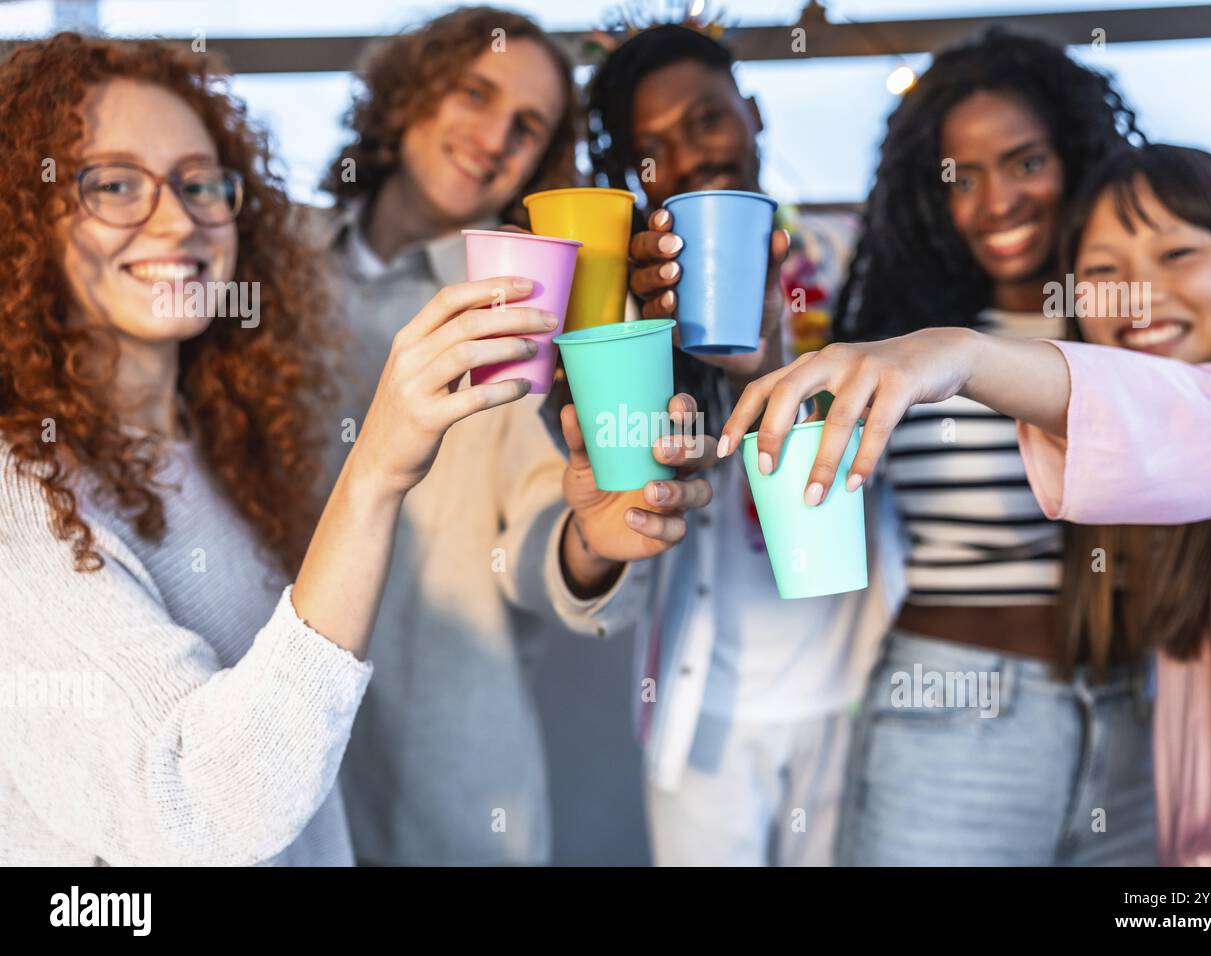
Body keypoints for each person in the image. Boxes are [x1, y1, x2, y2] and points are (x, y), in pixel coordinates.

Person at [0, 33, 551, 865]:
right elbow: (203, 807)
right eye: (113, 184)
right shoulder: (24, 493)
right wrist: (376, 473)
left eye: (199, 183)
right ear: (22, 216)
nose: (176, 218)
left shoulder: (215, 441)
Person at [718, 143, 1211, 866]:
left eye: (1178, 252)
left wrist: (965, 355)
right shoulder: (1171, 501)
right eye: (1103, 271)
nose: (1135, 294)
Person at [314, 7, 714, 865]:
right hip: (272, 786)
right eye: (475, 93)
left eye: (527, 125)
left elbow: (542, 523)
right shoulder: (269, 266)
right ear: (409, 93)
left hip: (454, 794)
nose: (495, 136)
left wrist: (592, 542)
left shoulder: (530, 317)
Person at [541, 22, 903, 867]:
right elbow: (612, 496)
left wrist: (770, 362)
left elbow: (868, 470)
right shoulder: (629, 306)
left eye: (705, 119)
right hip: (705, 706)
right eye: (651, 147)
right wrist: (647, 341)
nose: (687, 155)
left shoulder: (856, 271)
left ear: (755, 113)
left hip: (844, 687)